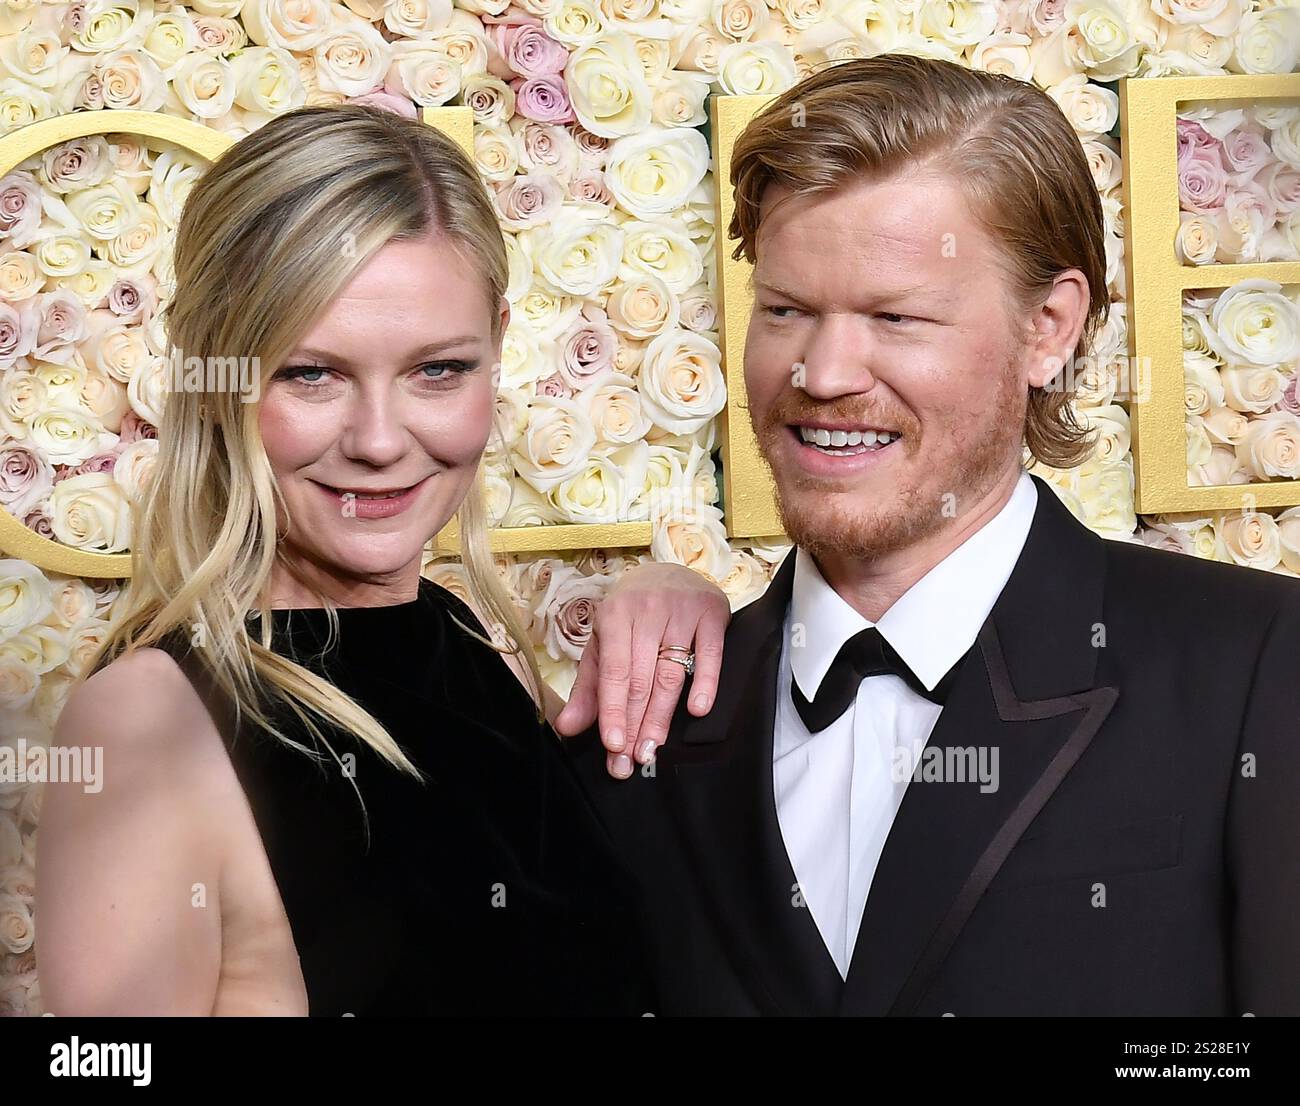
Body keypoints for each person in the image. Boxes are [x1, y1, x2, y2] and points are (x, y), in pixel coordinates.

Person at [575, 54, 1300, 1016]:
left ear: (1049, 328)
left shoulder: (1251, 667)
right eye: (786, 310)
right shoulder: (647, 716)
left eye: (896, 316)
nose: (825, 373)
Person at [35, 103, 730, 1016]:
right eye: (309, 373)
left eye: (438, 370)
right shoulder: (145, 720)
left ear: (496, 351)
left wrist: (673, 590)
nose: (377, 441)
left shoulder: (481, 653)